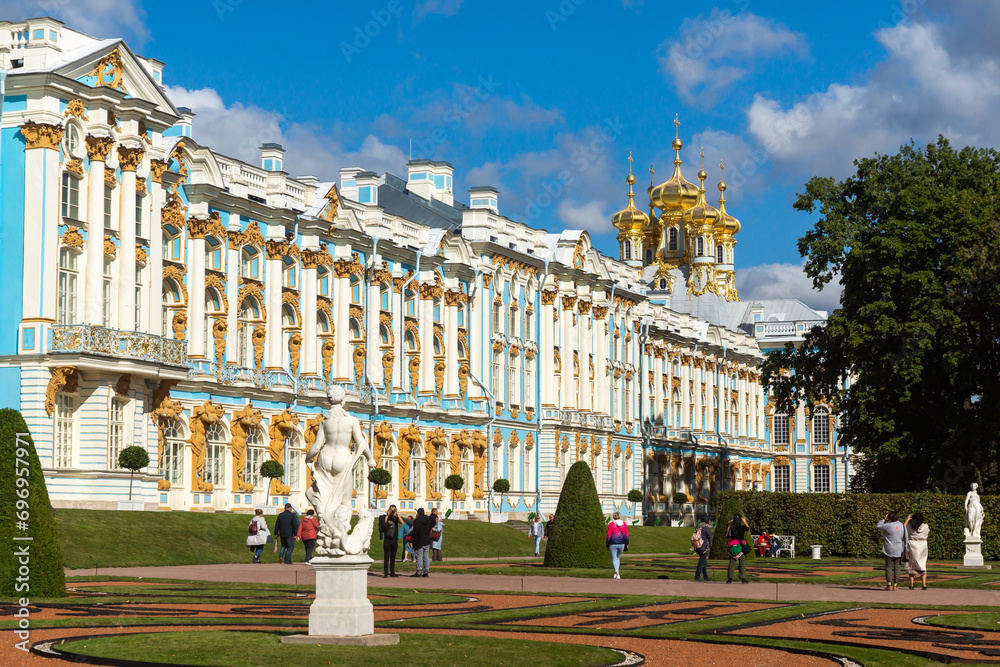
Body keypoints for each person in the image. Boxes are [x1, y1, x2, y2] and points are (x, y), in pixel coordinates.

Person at [876, 511, 906, 591]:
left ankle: (889, 584)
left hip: (888, 548)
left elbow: (878, 526)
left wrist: (883, 519)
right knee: (897, 567)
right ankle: (895, 585)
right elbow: (905, 537)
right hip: (899, 548)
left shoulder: (887, 526)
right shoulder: (902, 526)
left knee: (888, 567)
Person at [904, 512, 930, 590]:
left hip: (912, 544)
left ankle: (911, 585)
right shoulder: (925, 526)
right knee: (922, 563)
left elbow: (903, 528)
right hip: (922, 545)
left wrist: (907, 520)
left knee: (911, 564)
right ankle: (924, 585)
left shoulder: (910, 526)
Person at [726, 512, 751, 584]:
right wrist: (744, 521)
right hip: (740, 546)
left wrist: (732, 520)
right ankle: (743, 578)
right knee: (742, 563)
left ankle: (730, 579)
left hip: (732, 545)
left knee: (732, 563)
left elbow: (728, 524)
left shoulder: (730, 526)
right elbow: (748, 528)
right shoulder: (742, 527)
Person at [410, 507, 435, 577]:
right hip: (427, 540)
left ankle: (418, 571)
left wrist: (412, 541)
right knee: (426, 556)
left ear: (418, 513)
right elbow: (432, 524)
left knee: (419, 557)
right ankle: (426, 571)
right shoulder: (428, 520)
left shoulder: (417, 521)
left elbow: (415, 532)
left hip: (419, 540)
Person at [379, 505, 401, 577]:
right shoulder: (385, 517)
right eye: (391, 510)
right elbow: (383, 524)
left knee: (393, 557)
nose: (392, 512)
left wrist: (397, 514)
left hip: (394, 540)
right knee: (386, 556)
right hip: (387, 539)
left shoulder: (395, 518)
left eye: (393, 510)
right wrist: (388, 515)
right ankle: (386, 572)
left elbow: (402, 522)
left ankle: (392, 572)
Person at [606, 511, 629, 579]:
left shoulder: (611, 524)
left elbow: (609, 536)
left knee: (614, 559)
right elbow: (626, 535)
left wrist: (607, 544)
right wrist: (627, 543)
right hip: (621, 543)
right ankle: (616, 573)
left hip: (613, 543)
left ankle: (617, 573)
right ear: (619, 516)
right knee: (617, 558)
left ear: (613, 517)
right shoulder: (624, 524)